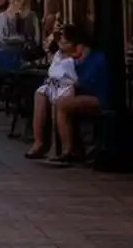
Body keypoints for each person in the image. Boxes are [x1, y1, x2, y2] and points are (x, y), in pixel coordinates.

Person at [26, 24, 109, 163]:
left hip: (100, 97)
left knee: (62, 104)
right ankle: (39, 142)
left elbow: (86, 82)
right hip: (83, 92)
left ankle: (67, 149)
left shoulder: (96, 59)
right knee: (40, 95)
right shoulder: (75, 59)